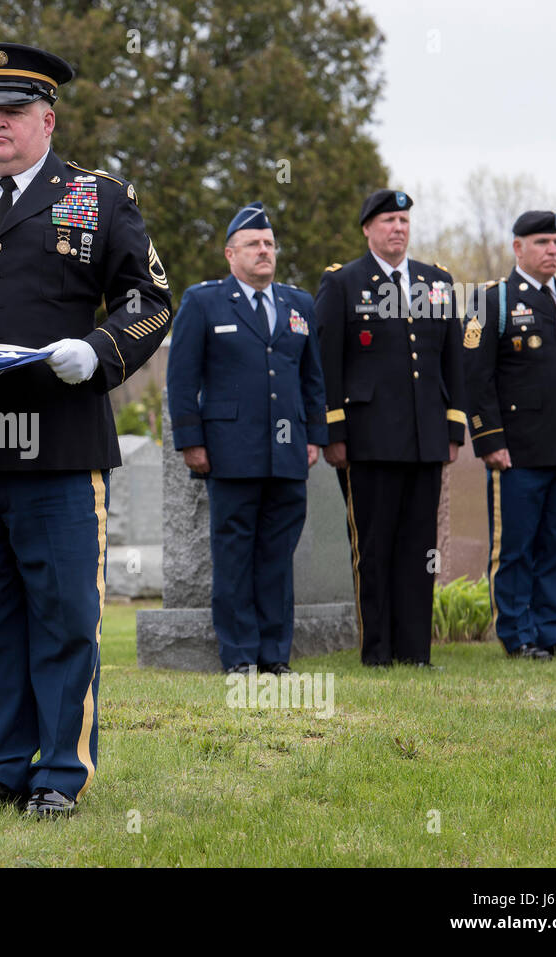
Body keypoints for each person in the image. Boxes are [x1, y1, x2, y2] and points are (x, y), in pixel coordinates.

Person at [0, 42, 172, 818]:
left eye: (13, 112)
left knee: (62, 613)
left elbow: (151, 299)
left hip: (56, 446)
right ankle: (0, 767)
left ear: (46, 119)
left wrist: (98, 350)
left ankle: (59, 771)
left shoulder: (95, 198)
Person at [167, 202, 327, 675]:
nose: (264, 251)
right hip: (230, 452)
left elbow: (312, 377)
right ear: (230, 254)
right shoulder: (204, 301)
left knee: (277, 557)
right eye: (254, 244)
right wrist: (190, 442)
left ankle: (275, 656)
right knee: (234, 557)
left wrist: (314, 435)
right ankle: (239, 656)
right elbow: (182, 379)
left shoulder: (299, 304)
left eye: (270, 244)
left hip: (287, 452)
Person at [314, 189, 465, 667]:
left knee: (420, 550)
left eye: (403, 220)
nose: (397, 228)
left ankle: (415, 652)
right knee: (374, 547)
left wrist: (454, 430)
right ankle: (376, 651)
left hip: (424, 438)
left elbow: (453, 361)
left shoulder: (436, 282)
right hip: (368, 439)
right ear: (367, 229)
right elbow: (327, 361)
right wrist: (333, 431)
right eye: (387, 221)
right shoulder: (343, 283)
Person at [463, 210, 556, 659]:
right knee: (516, 549)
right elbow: (476, 379)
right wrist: (490, 441)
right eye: (543, 242)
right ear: (518, 248)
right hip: (519, 454)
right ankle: (518, 634)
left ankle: (552, 632)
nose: (553, 251)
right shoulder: (492, 300)